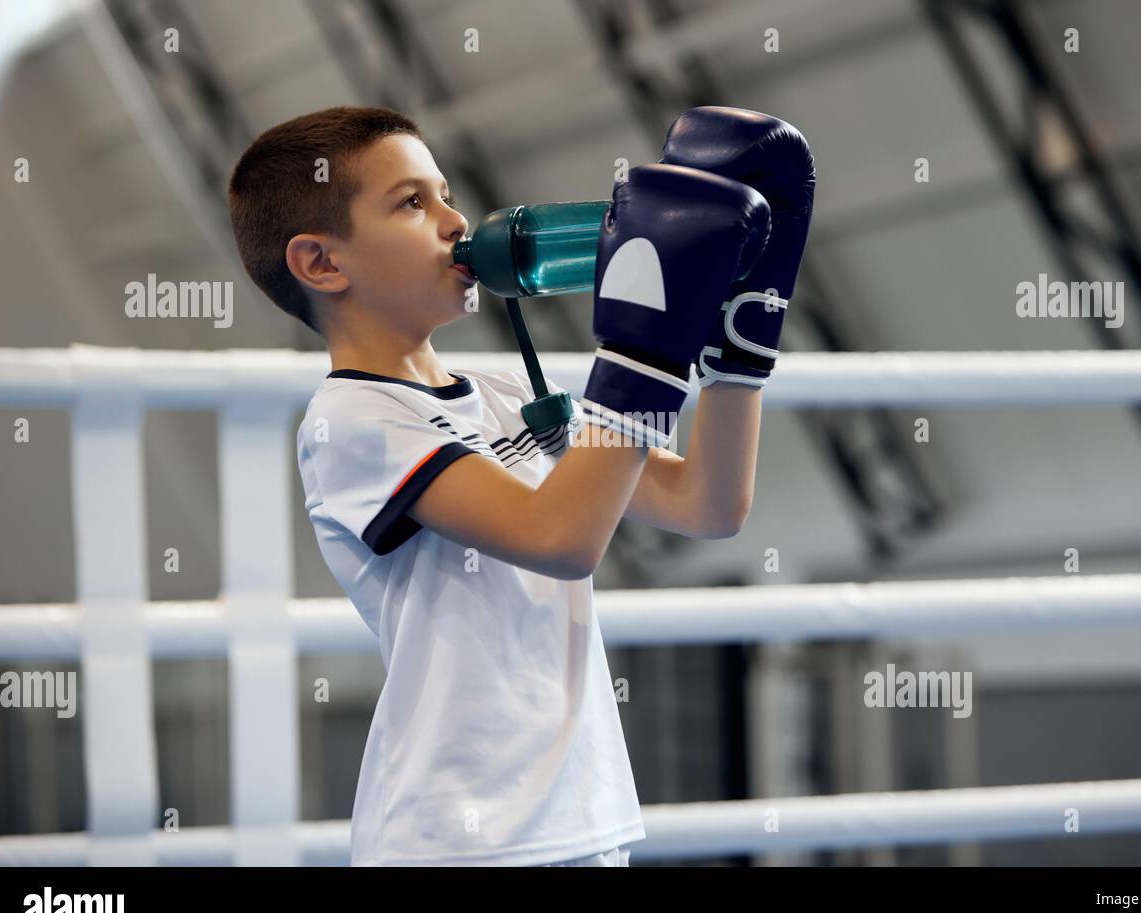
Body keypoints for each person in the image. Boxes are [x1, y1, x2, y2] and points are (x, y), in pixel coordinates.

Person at [227, 105, 811, 866]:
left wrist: (739, 337)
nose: (454, 221)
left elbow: (707, 503)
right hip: (463, 835)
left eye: (444, 192)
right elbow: (559, 537)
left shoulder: (505, 390)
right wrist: (644, 350)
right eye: (412, 203)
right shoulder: (351, 421)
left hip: (580, 813)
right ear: (322, 263)